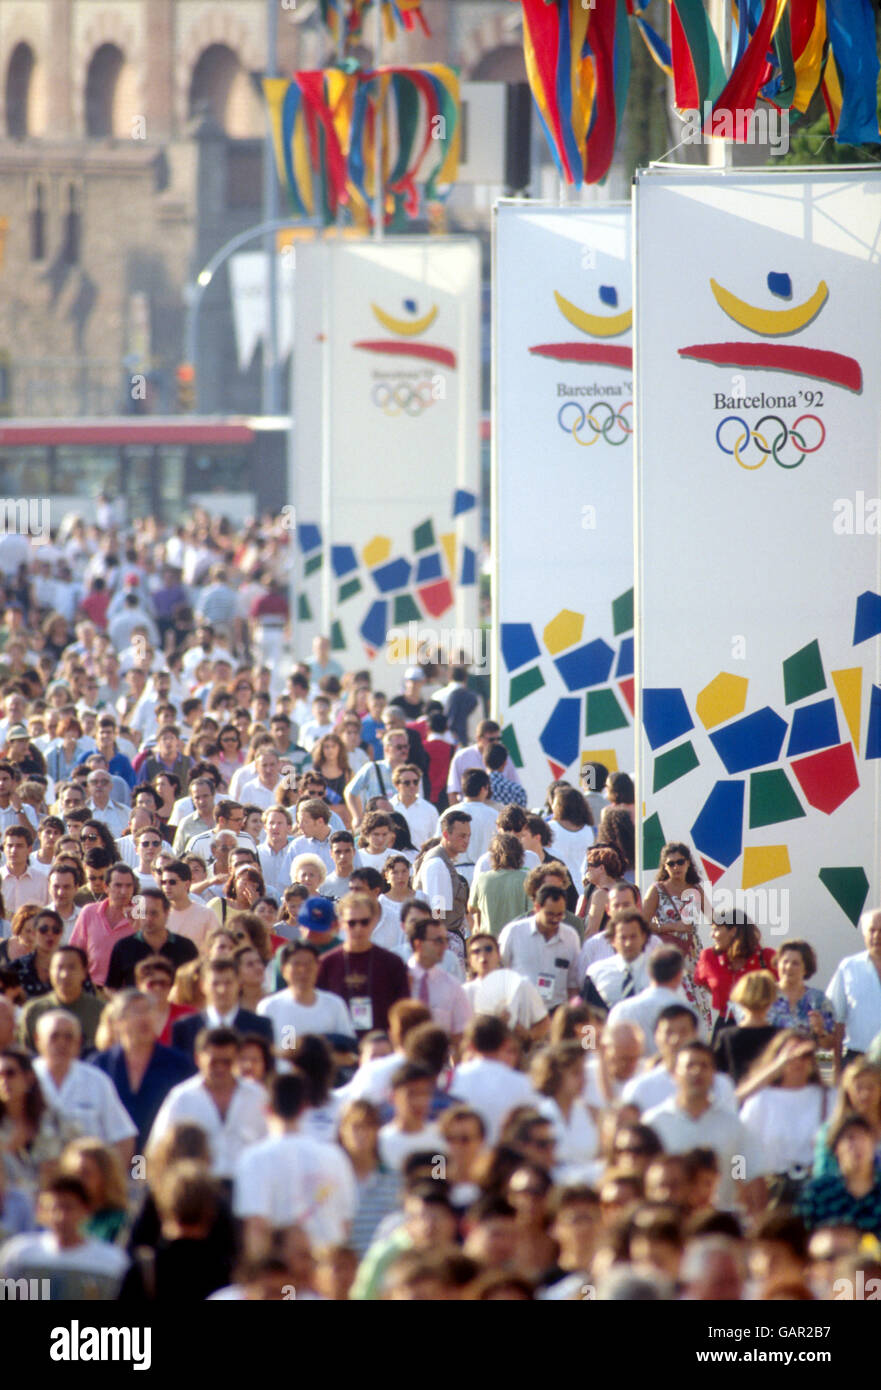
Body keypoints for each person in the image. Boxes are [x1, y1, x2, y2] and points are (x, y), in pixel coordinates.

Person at [233, 1072, 358, 1256]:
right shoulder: (335, 1156)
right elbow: (345, 1223)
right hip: (327, 1267)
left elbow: (257, 1226)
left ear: (266, 1109)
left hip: (281, 1272)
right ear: (305, 1107)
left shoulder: (253, 1159)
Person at [642, 1042, 765, 1214]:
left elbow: (741, 1167)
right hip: (670, 1218)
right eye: (690, 1065)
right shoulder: (655, 1122)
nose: (697, 1071)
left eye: (704, 1065)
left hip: (720, 1218)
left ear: (714, 1074)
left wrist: (744, 1199)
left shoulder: (732, 1125)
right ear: (675, 1073)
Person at [149, 1027, 268, 1181]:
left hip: (248, 1187)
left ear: (237, 1060)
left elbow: (273, 1143)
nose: (220, 1068)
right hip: (200, 1188)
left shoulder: (258, 1096)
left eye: (227, 1062)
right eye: (213, 1062)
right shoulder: (182, 1097)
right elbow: (159, 1148)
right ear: (198, 1059)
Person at [92, 990, 194, 1150]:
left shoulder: (179, 1065)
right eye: (136, 1011)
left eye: (149, 1010)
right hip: (113, 1160)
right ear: (118, 1021)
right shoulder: (100, 1065)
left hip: (160, 1158)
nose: (144, 1017)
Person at [0, 1173, 129, 1299]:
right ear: (41, 1211)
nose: (60, 1217)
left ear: (86, 1210)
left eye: (68, 1208)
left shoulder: (112, 1262)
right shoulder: (19, 1254)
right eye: (53, 1208)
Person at [32, 1010, 136, 1163]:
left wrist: (114, 1180)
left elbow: (123, 1136)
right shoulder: (23, 1078)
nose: (62, 1043)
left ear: (79, 1042)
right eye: (54, 1036)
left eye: (69, 1037)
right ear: (37, 1039)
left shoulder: (97, 1081)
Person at [737, 1030, 828, 1205]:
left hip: (816, 1192)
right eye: (791, 1054)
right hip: (772, 1192)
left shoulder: (829, 1097)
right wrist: (740, 1188)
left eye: (805, 1055)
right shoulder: (761, 1099)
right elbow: (738, 1152)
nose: (798, 1061)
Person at [316, 892, 411, 1036]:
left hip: (382, 1047)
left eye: (364, 922)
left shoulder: (392, 963)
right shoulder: (326, 963)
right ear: (341, 924)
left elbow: (402, 1010)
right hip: (341, 1047)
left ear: (374, 922)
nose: (358, 928)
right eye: (352, 923)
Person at [643, 843, 712, 1033]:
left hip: (691, 951)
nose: (676, 867)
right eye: (670, 864)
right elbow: (642, 923)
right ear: (664, 867)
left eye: (680, 862)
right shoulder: (657, 890)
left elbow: (713, 918)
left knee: (698, 998)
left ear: (688, 863)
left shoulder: (695, 889)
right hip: (667, 951)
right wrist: (672, 926)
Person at [622, 1004, 736, 1114]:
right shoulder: (640, 1089)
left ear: (695, 1035)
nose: (675, 1039)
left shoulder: (720, 1085)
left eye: (683, 1032)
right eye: (669, 1032)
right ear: (656, 1037)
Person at [694, 911, 777, 1038]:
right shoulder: (709, 957)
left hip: (761, 1026)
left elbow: (780, 988)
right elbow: (701, 981)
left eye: (716, 930)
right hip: (725, 1026)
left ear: (733, 931)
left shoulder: (767, 957)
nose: (712, 935)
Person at [170, 958, 273, 1060]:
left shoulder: (260, 1026)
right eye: (215, 984)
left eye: (228, 983)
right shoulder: (185, 1028)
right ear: (202, 986)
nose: (222, 990)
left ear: (239, 984)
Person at [498, 885, 580, 1011]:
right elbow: (499, 970)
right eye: (550, 914)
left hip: (556, 1011)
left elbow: (573, 983)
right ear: (537, 908)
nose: (555, 919)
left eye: (560, 915)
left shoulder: (570, 937)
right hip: (520, 1010)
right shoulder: (514, 932)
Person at [258, 941, 356, 1046]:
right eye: (296, 964)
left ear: (318, 968)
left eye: (309, 964)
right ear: (283, 970)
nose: (303, 970)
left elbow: (349, 1047)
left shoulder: (335, 1005)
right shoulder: (269, 1007)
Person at [798, 1115, 881, 1237]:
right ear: (836, 1148)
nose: (858, 1145)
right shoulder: (818, 1192)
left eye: (863, 1137)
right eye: (850, 1138)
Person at [105, 886, 198, 990]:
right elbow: (111, 987)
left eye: (154, 913)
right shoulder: (123, 947)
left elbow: (196, 984)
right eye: (144, 913)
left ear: (166, 913)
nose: (148, 919)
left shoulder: (185, 947)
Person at [462, 933, 548, 1043]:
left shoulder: (521, 985)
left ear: (498, 955)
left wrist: (528, 1035)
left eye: (488, 949)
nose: (483, 955)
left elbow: (544, 1022)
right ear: (470, 961)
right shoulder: (465, 992)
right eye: (476, 951)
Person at [18, 945, 104, 1054]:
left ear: (84, 972)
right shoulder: (33, 1010)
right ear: (50, 972)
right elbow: (25, 1056)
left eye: (72, 967)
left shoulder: (100, 1012)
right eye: (59, 968)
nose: (64, 975)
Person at [607, 947, 691, 1053]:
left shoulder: (621, 1010)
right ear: (679, 976)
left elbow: (611, 1048)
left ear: (649, 973)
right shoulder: (688, 1014)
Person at [405, 912, 471, 1048]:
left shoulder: (452, 986)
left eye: (445, 940)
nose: (445, 947)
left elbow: (461, 1036)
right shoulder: (397, 980)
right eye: (438, 941)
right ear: (418, 945)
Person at [827, 908, 881, 1073]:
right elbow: (838, 1019)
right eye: (872, 930)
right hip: (858, 1062)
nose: (877, 936)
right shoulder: (848, 967)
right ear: (864, 934)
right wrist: (836, 1067)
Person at [69, 862, 139, 989]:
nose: (123, 891)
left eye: (128, 886)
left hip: (127, 992)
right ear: (106, 887)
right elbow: (75, 953)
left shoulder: (140, 917)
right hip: (93, 989)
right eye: (118, 885)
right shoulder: (89, 912)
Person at [713, 970, 780, 1083]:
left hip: (736, 1094)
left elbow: (717, 1074)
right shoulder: (780, 1036)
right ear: (771, 998)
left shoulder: (727, 1036)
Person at [768, 938, 836, 1045]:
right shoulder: (764, 995)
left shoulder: (818, 1000)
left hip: (805, 1060)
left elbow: (830, 1045)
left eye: (795, 963)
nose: (789, 967)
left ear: (806, 968)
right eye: (785, 962)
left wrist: (820, 1031)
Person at [582, 910, 653, 1010]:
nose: (628, 943)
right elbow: (587, 1016)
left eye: (633, 936)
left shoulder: (658, 972)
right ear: (612, 940)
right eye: (623, 938)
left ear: (644, 937)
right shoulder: (596, 973)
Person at [468, 833, 530, 938]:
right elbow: (532, 912)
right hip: (517, 940)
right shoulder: (527, 880)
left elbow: (471, 908)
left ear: (493, 855)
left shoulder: (481, 879)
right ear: (520, 854)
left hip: (489, 942)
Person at [446, 721, 520, 804]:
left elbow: (515, 786)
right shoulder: (462, 757)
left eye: (498, 739)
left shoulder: (504, 757)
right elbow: (452, 791)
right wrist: (457, 814)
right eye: (491, 739)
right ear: (478, 738)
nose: (496, 742)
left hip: (497, 811)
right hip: (469, 811)